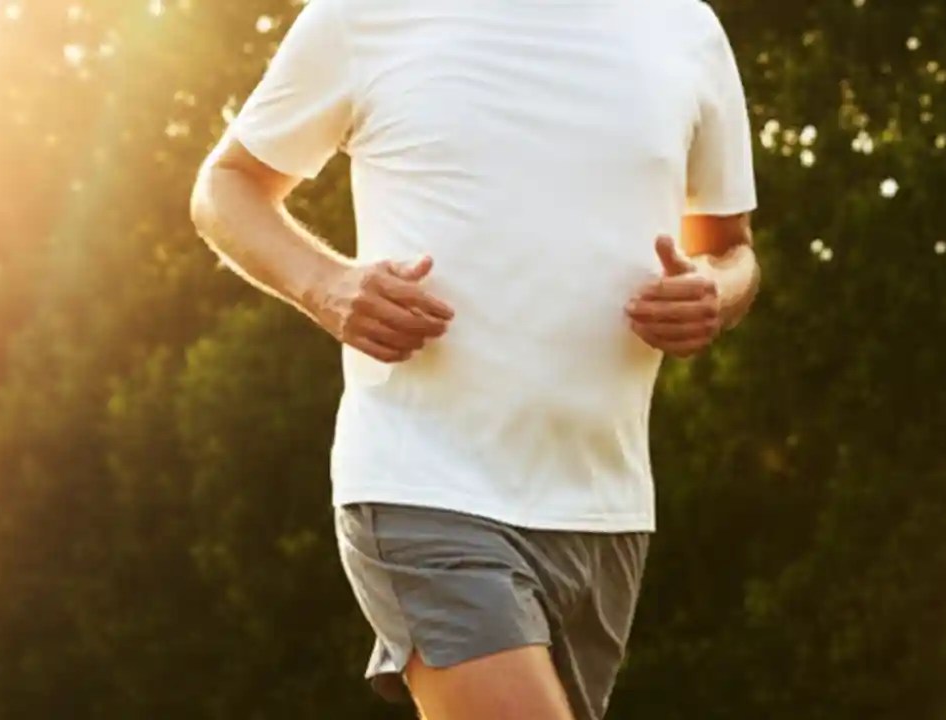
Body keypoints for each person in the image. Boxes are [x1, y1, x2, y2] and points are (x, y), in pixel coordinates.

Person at [189, 0, 760, 715]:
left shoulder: (685, 29)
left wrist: (716, 289)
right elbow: (225, 186)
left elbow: (728, 245)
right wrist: (329, 286)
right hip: (424, 483)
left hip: (604, 508)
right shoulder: (365, 15)